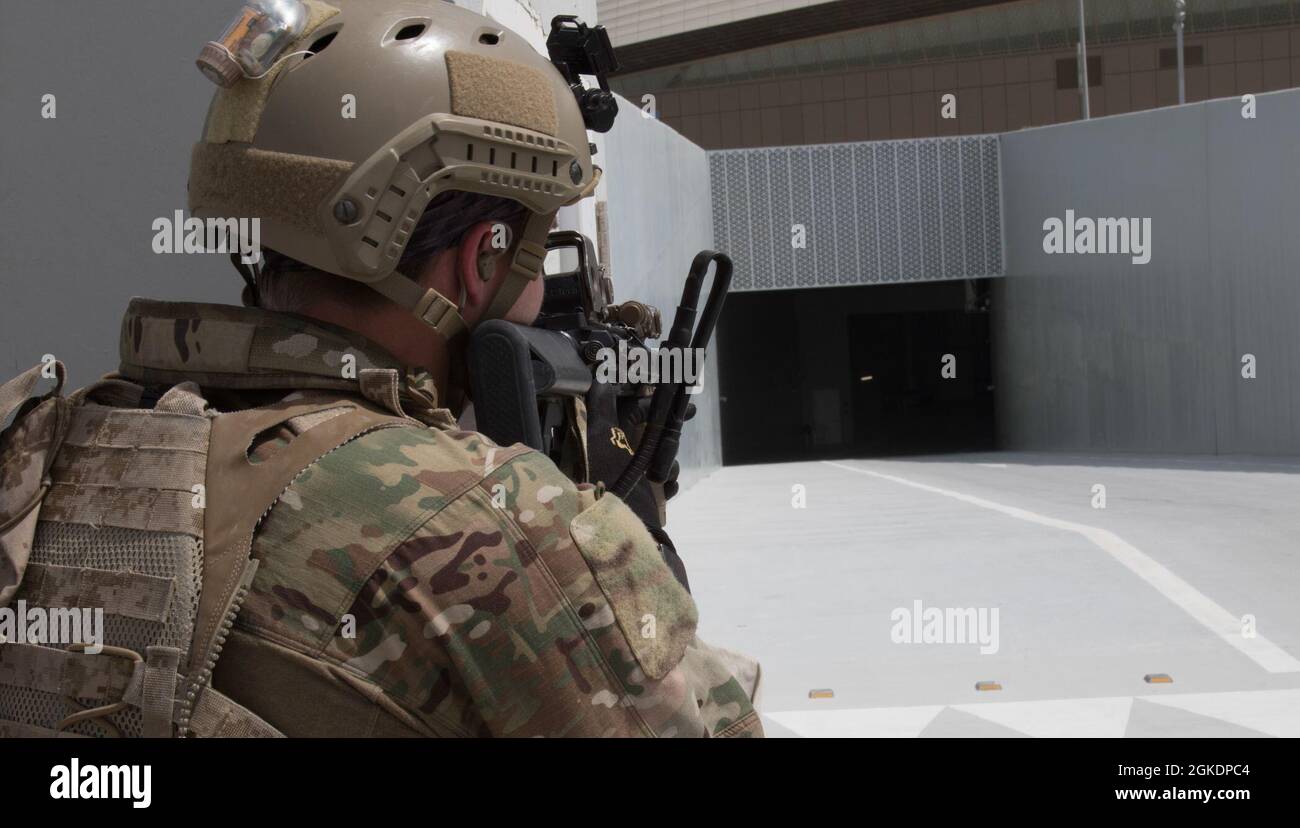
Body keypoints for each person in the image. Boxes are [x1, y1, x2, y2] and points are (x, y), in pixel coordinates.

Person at [0, 0, 761, 738]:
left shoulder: (38, 438)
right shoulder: (494, 523)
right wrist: (627, 545)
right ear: (480, 258)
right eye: (541, 248)